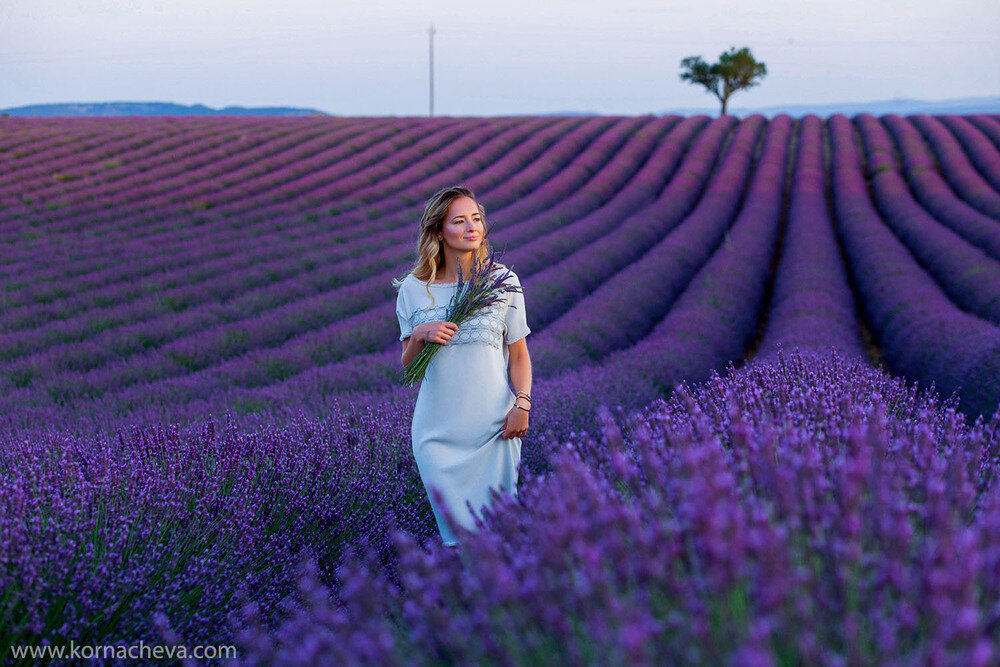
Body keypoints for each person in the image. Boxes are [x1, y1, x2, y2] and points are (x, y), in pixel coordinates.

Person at [393, 185, 532, 549]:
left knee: (500, 536)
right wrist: (421, 334)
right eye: (459, 220)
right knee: (461, 541)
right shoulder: (413, 288)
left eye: (476, 218)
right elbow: (409, 371)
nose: (472, 227)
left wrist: (522, 404)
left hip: (494, 429)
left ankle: (504, 604)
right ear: (439, 231)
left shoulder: (503, 282)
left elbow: (518, 354)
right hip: (437, 435)